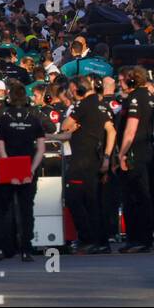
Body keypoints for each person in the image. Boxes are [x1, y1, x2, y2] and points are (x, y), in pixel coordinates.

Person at [0, 81, 46, 262]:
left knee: (4, 210)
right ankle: (26, 249)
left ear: (9, 98)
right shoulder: (34, 120)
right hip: (27, 166)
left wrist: (9, 168)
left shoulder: (3, 119)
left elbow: (0, 148)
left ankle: (3, 248)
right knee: (26, 210)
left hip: (9, 166)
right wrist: (31, 170)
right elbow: (41, 148)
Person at [63, 77, 115, 254]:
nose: (71, 93)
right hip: (98, 159)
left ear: (79, 90)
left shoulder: (82, 105)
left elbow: (65, 126)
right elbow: (112, 131)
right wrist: (107, 158)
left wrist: (72, 127)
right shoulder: (102, 105)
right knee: (94, 202)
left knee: (73, 198)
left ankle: (88, 238)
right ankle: (100, 241)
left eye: (72, 89)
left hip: (82, 161)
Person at [115, 67, 154, 254]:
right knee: (141, 196)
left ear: (132, 81)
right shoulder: (147, 96)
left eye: (122, 80)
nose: (119, 83)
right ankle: (142, 238)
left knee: (134, 196)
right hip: (144, 150)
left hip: (134, 153)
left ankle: (137, 239)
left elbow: (130, 130)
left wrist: (121, 154)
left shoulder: (135, 98)